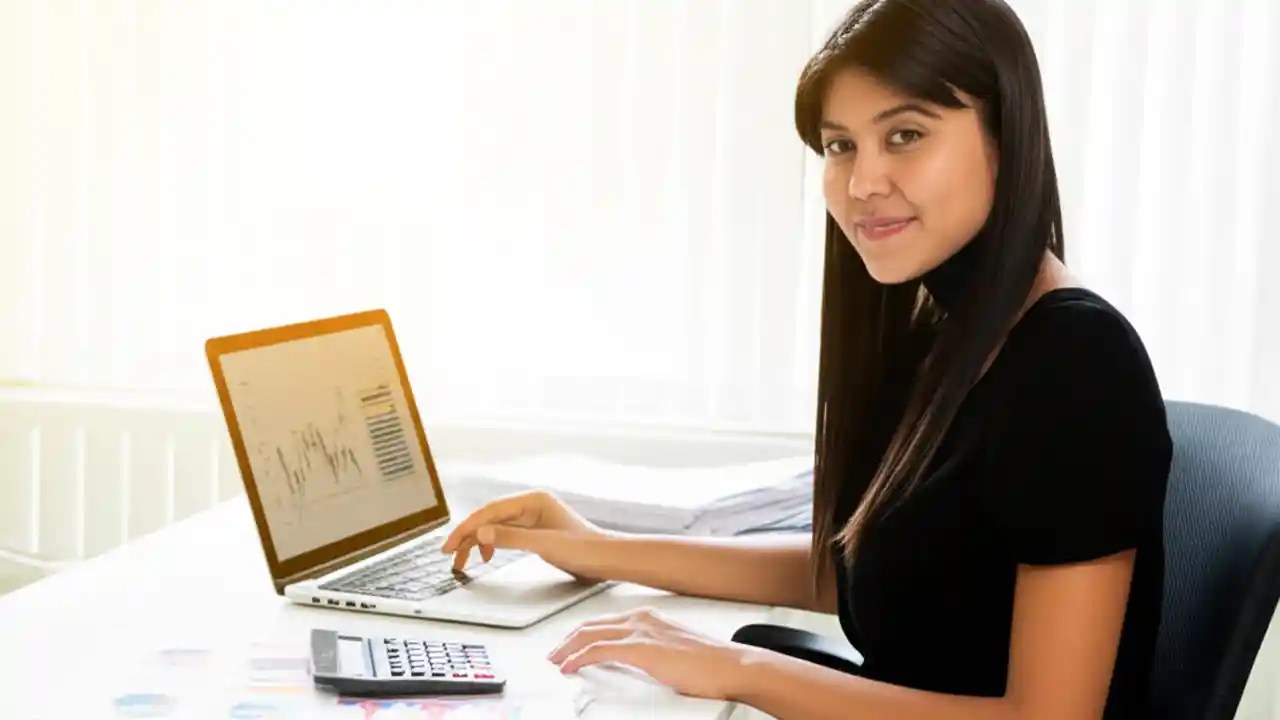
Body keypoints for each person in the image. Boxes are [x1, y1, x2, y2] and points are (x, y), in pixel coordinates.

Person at [440, 0, 1172, 717]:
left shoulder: (1076, 366)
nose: (862, 184)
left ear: (1006, 138)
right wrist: (597, 549)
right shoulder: (944, 329)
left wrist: (741, 670)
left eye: (906, 134)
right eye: (840, 145)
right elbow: (859, 571)